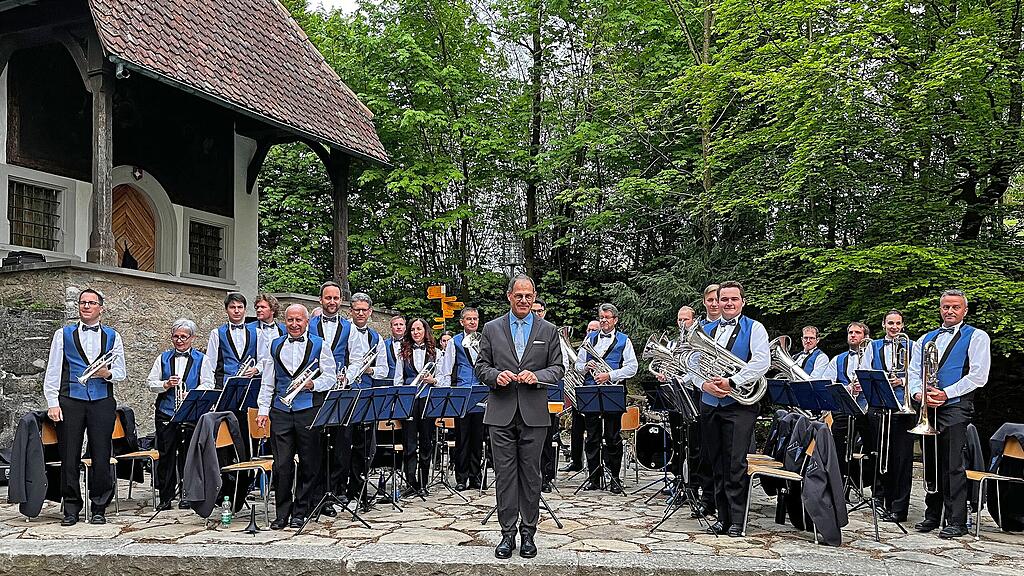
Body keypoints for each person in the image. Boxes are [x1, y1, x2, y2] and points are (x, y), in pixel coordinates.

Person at [475, 274, 564, 559]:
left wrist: (536, 376)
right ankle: (506, 534)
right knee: (504, 475)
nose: (524, 300)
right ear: (509, 296)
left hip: (534, 413)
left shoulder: (548, 330)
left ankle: (528, 533)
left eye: (528, 296)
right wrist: (494, 375)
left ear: (534, 296)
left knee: (531, 475)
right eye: (519, 295)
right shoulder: (491, 328)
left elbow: (558, 369)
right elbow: (481, 367)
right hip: (500, 412)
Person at [909, 290, 989, 539]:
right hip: (928, 406)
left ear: (964, 311)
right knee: (931, 462)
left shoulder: (977, 336)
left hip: (955, 406)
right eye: (946, 307)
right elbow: (913, 371)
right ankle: (933, 515)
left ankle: (957, 520)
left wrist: (945, 393)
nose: (950, 311)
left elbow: (978, 375)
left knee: (953, 463)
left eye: (955, 307)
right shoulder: (925, 338)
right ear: (940, 309)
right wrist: (918, 393)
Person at [43, 288, 126, 526]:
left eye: (91, 303)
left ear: (101, 307)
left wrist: (106, 373)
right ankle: (71, 508)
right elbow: (53, 369)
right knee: (69, 455)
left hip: (102, 400)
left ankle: (99, 506)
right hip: (71, 399)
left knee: (101, 454)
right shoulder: (63, 334)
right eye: (82, 302)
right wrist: (52, 403)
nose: (86, 306)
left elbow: (121, 372)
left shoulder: (113, 336)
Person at [698, 281, 770, 537]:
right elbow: (693, 362)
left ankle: (737, 520)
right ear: (717, 301)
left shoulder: (755, 328)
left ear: (742, 301)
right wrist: (704, 383)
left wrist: (733, 382)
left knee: (735, 464)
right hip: (710, 404)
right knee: (715, 462)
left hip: (739, 405)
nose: (728, 303)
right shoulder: (706, 329)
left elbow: (762, 361)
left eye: (733, 299)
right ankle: (722, 517)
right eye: (723, 299)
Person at [256, 304, 337, 529]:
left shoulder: (320, 345)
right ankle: (282, 513)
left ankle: (301, 511)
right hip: (281, 411)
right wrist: (263, 410)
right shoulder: (275, 345)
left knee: (309, 463)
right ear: (285, 321)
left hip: (308, 409)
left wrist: (313, 384)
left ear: (306, 322)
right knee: (282, 465)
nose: (294, 324)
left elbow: (330, 377)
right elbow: (268, 381)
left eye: (298, 320)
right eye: (290, 320)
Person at [146, 318, 208, 511]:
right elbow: (150, 382)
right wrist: (165, 384)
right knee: (166, 455)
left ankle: (187, 495)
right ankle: (165, 497)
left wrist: (194, 393)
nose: (180, 340)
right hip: (166, 412)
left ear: (192, 338)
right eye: (176, 336)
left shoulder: (202, 359)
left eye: (184, 337)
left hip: (190, 412)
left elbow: (208, 383)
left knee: (189, 456)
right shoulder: (162, 358)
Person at [575, 303, 638, 494]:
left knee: (612, 437)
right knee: (592, 437)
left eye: (607, 317)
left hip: (613, 392)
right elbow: (577, 365)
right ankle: (593, 478)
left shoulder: (624, 340)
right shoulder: (590, 338)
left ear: (615, 320)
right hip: (591, 391)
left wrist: (609, 376)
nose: (603, 320)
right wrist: (586, 366)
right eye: (601, 317)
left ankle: (614, 478)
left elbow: (632, 367)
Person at [307, 281, 353, 515]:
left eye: (336, 298)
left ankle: (336, 490)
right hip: (315, 391)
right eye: (328, 298)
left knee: (340, 444)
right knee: (317, 444)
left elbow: (355, 357)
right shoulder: (309, 324)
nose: (332, 302)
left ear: (340, 301)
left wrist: (347, 376)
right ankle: (318, 495)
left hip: (340, 391)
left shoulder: (349, 326)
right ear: (321, 300)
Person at [869, 310, 914, 523]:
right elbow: (867, 369)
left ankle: (900, 508)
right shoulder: (873, 345)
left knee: (902, 459)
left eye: (897, 323)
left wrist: (903, 382)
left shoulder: (912, 345)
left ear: (903, 325)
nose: (894, 327)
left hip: (904, 408)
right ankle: (885, 502)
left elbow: (919, 374)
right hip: (882, 407)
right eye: (890, 323)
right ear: (883, 324)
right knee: (883, 456)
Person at [340, 292, 381, 505]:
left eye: (365, 310)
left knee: (366, 447)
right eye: (357, 310)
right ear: (351, 311)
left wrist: (369, 370)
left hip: (366, 394)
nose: (361, 313)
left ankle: (358, 488)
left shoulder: (376, 337)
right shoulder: (343, 331)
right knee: (344, 443)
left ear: (370, 312)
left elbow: (383, 369)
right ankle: (341, 490)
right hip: (346, 393)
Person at [822, 321, 875, 481]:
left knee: (873, 449)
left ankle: (873, 487)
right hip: (844, 410)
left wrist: (865, 385)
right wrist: (848, 388)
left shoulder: (874, 357)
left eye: (857, 333)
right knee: (839, 449)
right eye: (850, 332)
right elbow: (827, 383)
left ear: (866, 337)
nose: (853, 335)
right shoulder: (838, 359)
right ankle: (840, 487)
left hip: (867, 409)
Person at [439, 307, 485, 491]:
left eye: (475, 318)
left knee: (478, 437)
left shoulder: (485, 340)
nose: (472, 322)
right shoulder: (454, 342)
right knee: (462, 438)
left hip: (481, 392)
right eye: (469, 319)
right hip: (463, 392)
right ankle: (461, 477)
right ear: (462, 322)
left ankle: (476, 476)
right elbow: (447, 368)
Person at [394, 317, 439, 496]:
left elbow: (443, 378)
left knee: (426, 443)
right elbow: (398, 378)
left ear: (425, 331)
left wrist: (432, 380)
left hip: (427, 401)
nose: (416, 332)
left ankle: (424, 482)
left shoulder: (436, 353)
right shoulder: (402, 352)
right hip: (410, 400)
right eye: (413, 330)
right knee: (409, 443)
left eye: (419, 329)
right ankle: (411, 482)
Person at [560, 319, 600, 473]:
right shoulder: (584, 349)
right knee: (576, 430)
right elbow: (576, 368)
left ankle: (594, 467)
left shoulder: (601, 348)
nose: (590, 333)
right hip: (580, 395)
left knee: (593, 434)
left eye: (594, 330)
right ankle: (576, 461)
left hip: (594, 395)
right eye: (588, 330)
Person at [200, 292, 259, 390]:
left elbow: (263, 359)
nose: (236, 311)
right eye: (232, 307)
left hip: (249, 386)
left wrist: (256, 369)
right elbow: (210, 364)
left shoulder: (257, 332)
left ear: (245, 310)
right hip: (223, 386)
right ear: (226, 310)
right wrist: (209, 387)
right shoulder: (216, 333)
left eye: (240, 307)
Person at [532, 300, 560, 493]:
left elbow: (561, 365)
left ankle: (547, 477)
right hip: (528, 396)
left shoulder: (551, 332)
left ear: (544, 312)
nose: (537, 314)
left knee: (548, 437)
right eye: (534, 311)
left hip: (549, 393)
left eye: (539, 311)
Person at [250, 294, 285, 372]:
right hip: (254, 376)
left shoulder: (284, 330)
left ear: (272, 310)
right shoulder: (249, 329)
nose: (258, 310)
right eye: (257, 307)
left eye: (263, 307)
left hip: (277, 375)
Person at [373, 315, 406, 386]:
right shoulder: (383, 344)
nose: (399, 327)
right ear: (391, 328)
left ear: (405, 327)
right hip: (388, 382)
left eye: (401, 324)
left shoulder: (411, 344)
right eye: (395, 325)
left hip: (407, 383)